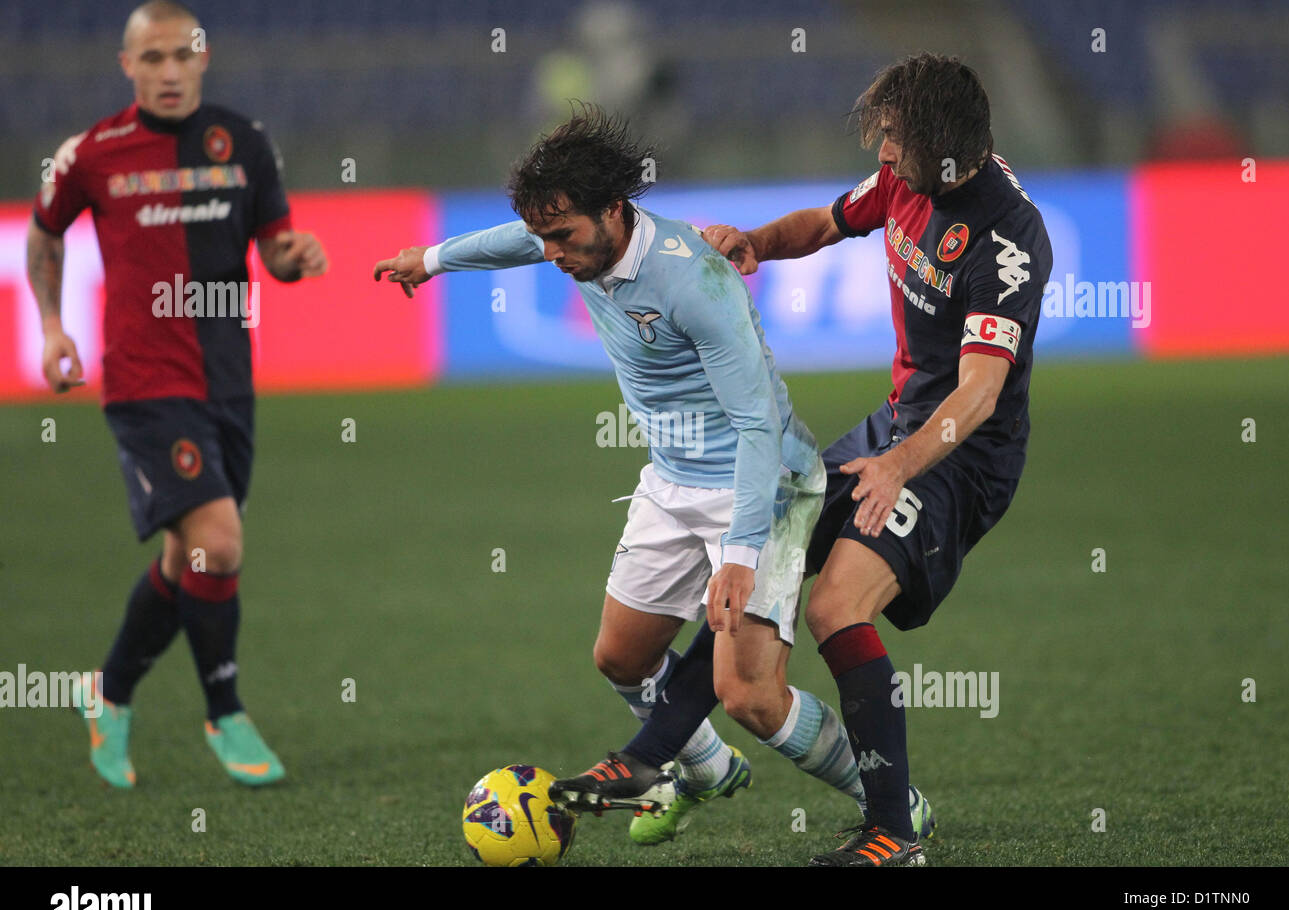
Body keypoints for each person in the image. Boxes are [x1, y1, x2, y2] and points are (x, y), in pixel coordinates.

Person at [581, 52, 1052, 866]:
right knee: (766, 543)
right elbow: (829, 223)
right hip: (897, 426)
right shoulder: (904, 181)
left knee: (836, 605)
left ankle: (893, 834)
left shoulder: (1009, 238)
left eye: (895, 138)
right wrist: (754, 243)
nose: (883, 152)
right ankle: (654, 751)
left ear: (940, 144)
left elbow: (978, 394)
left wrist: (901, 464)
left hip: (960, 457)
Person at [373, 104, 872, 843]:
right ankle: (703, 769)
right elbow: (520, 238)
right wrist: (434, 258)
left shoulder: (695, 282)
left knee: (749, 696)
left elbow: (757, 425)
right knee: (620, 656)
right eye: (544, 235)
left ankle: (889, 801)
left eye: (562, 236)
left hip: (761, 486)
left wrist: (739, 555)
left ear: (613, 212)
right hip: (671, 479)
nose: (550, 253)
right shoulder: (578, 239)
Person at [26, 0, 327, 788]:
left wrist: (294, 258)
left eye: (179, 56)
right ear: (127, 65)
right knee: (219, 542)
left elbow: (276, 249)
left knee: (186, 556)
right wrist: (52, 327)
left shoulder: (245, 143)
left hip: (229, 380)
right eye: (150, 58)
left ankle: (109, 691)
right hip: (143, 381)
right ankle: (224, 710)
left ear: (203, 57)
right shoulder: (93, 152)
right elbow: (44, 230)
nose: (166, 71)